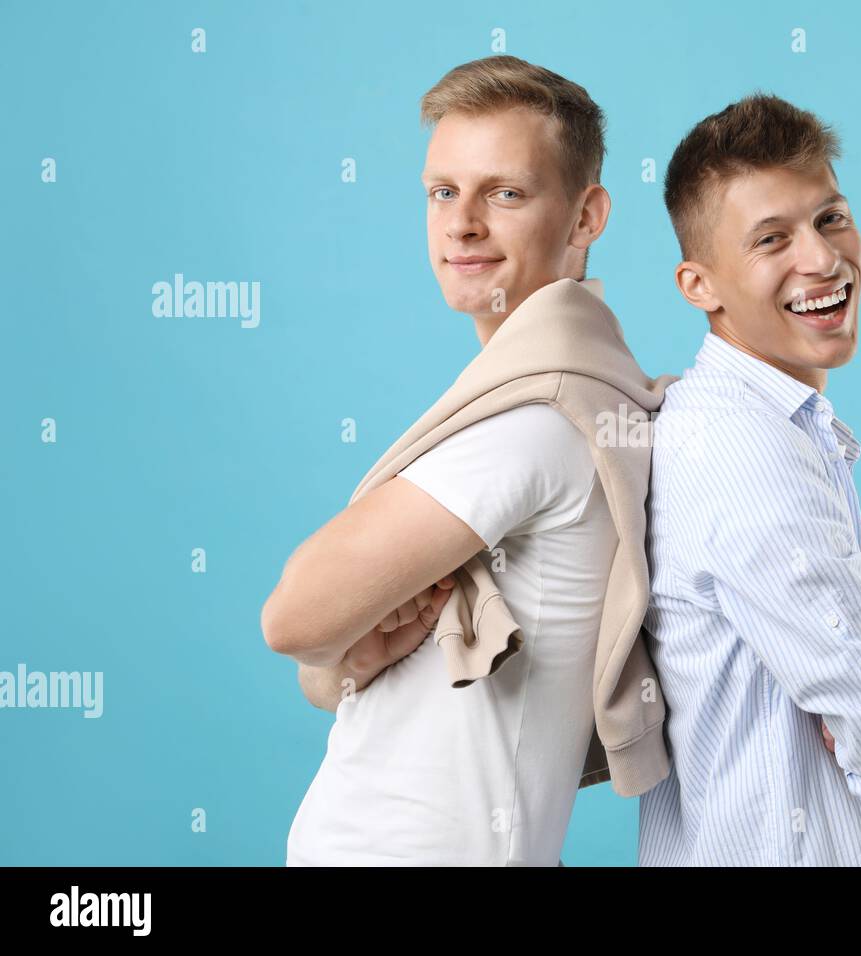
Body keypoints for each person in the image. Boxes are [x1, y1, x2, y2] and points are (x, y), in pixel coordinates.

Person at [261, 55, 669, 866]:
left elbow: (292, 618)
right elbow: (328, 663)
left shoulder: (535, 420)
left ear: (587, 217)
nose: (462, 224)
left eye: (505, 193)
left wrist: (334, 641)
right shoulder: (539, 398)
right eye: (443, 191)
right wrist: (352, 653)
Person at [637, 94, 861, 866]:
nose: (821, 260)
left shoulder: (776, 432)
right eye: (770, 239)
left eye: (830, 218)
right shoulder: (747, 458)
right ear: (700, 285)